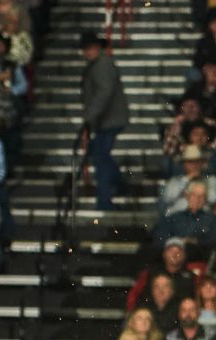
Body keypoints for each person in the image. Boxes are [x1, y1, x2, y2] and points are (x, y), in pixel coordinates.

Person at [80, 30, 129, 210]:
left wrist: (89, 116)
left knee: (100, 158)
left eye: (92, 48)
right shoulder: (98, 64)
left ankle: (104, 200)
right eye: (87, 48)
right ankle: (119, 185)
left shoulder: (102, 65)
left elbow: (104, 92)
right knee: (101, 155)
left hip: (109, 119)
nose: (89, 51)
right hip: (106, 120)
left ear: (98, 48)